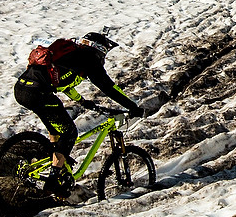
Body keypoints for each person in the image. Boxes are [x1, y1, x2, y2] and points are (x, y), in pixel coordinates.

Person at [14, 32, 144, 191]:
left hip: (22, 90)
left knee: (56, 126)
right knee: (69, 133)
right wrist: (133, 107)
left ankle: (59, 162)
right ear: (99, 49)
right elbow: (109, 87)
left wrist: (82, 101)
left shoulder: (71, 54)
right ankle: (53, 180)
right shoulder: (89, 59)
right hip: (38, 94)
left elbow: (63, 83)